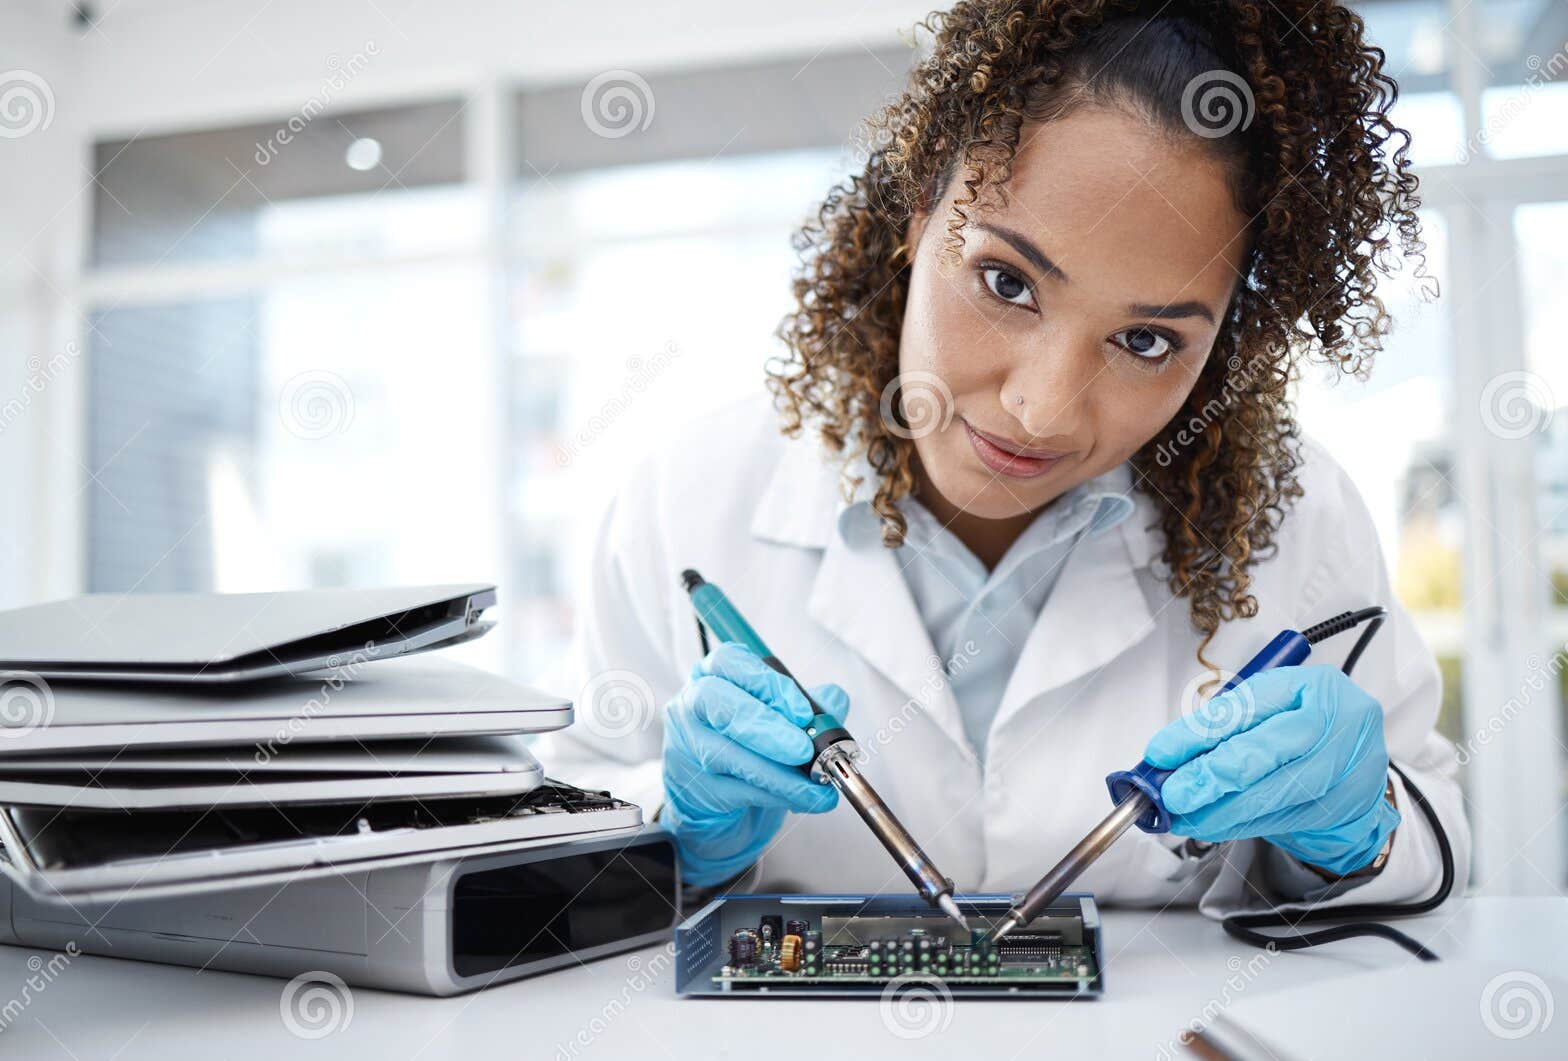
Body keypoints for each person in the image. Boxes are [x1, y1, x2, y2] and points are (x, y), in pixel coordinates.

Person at [539, 0, 1471, 920]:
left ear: (1225, 341)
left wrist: (1357, 828)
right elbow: (554, 867)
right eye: (1006, 282)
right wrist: (678, 831)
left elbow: (1434, 847)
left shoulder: (1301, 522)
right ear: (916, 213)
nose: (1042, 407)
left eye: (1147, 341)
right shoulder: (686, 501)